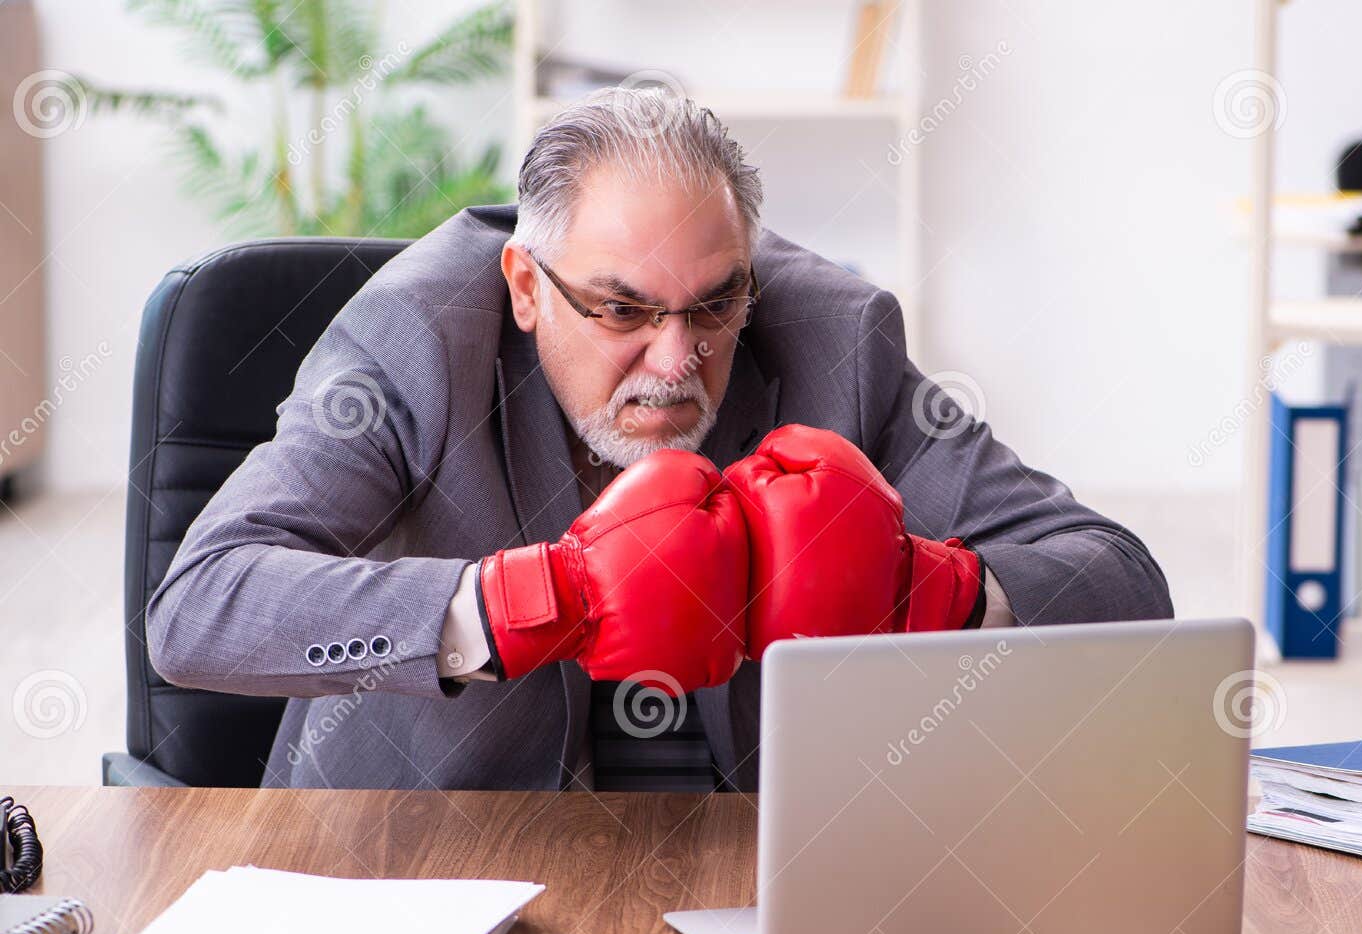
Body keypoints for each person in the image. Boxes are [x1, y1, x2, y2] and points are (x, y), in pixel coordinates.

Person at [145, 87, 1173, 791]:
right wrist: (519, 605)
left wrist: (935, 591)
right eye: (621, 312)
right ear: (522, 288)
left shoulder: (836, 342)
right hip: (426, 873)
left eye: (714, 305)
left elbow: (1120, 581)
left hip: (745, 885)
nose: (677, 360)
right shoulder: (410, 346)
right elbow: (198, 610)